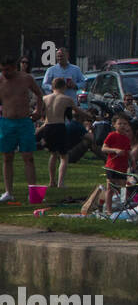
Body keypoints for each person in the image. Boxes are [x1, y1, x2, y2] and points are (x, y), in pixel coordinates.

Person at [0, 56, 45, 204]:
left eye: (7, 69)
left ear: (14, 67)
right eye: (2, 69)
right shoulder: (1, 80)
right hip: (7, 122)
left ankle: (33, 192)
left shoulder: (26, 78)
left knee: (28, 156)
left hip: (24, 121)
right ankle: (8, 192)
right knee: (7, 156)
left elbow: (39, 94)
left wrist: (38, 111)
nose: (5, 72)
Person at [40, 77, 89, 188]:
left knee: (53, 154)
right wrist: (91, 116)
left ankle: (51, 181)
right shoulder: (66, 99)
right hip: (59, 126)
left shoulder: (45, 98)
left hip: (48, 127)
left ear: (52, 87)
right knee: (63, 156)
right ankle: (60, 183)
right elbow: (78, 111)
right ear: (64, 87)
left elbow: (40, 112)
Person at [100, 113, 133, 215]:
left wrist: (133, 163)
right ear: (114, 124)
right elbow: (104, 148)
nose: (122, 126)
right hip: (112, 166)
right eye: (120, 123)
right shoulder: (112, 135)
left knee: (123, 188)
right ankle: (108, 210)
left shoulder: (127, 138)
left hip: (123, 167)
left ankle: (122, 208)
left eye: (125, 124)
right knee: (110, 188)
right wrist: (115, 150)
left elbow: (128, 152)